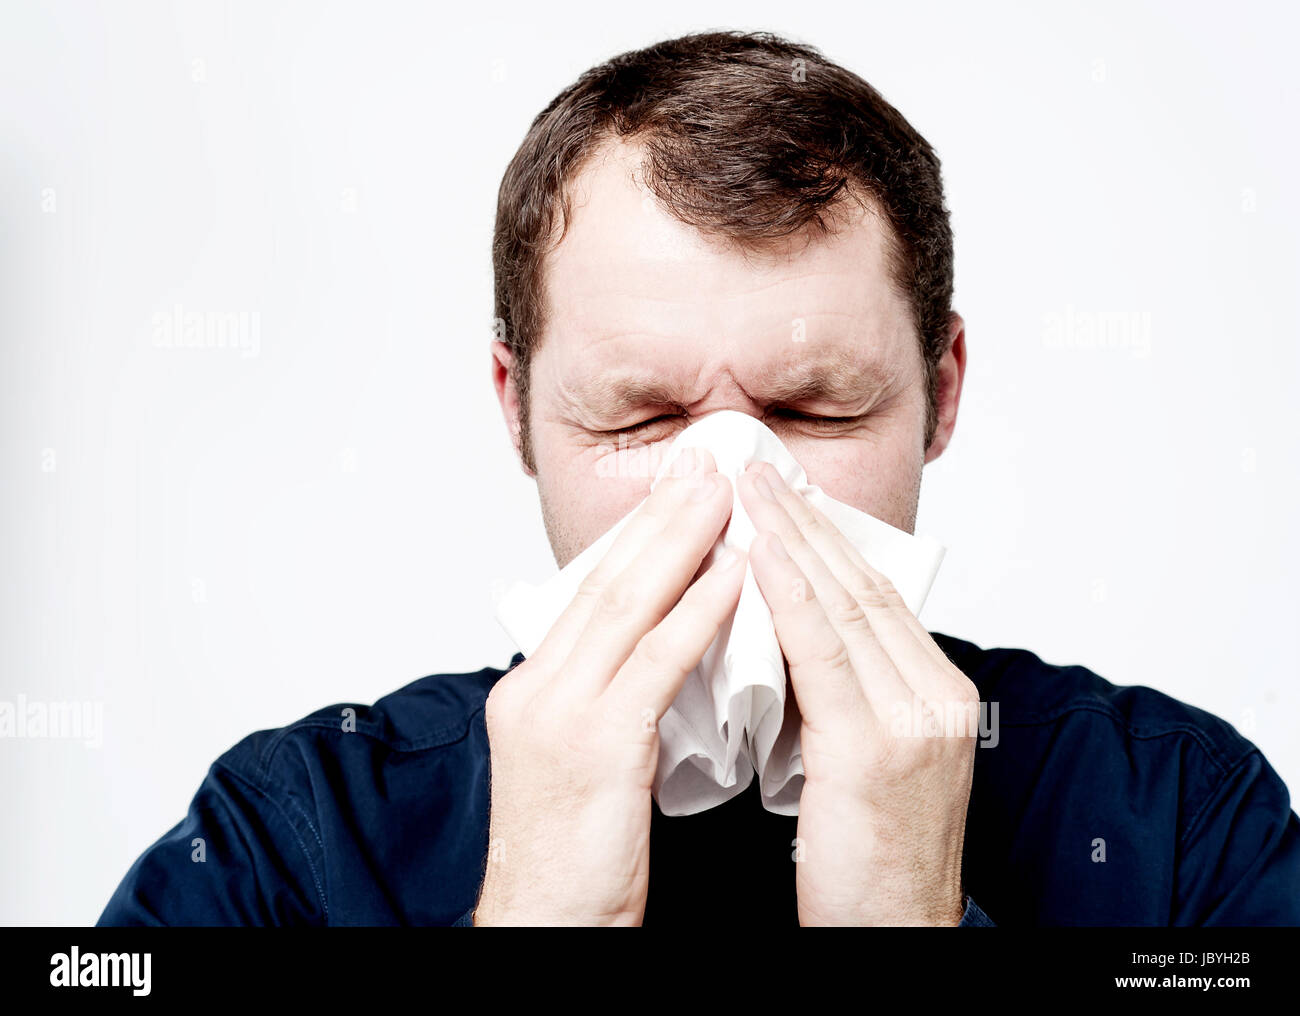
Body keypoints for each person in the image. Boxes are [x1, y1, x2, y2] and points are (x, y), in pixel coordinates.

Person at [97, 29, 1300, 927]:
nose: (728, 488)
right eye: (638, 416)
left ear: (942, 390)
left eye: (811, 407)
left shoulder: (1180, 824)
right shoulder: (288, 847)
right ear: (516, 407)